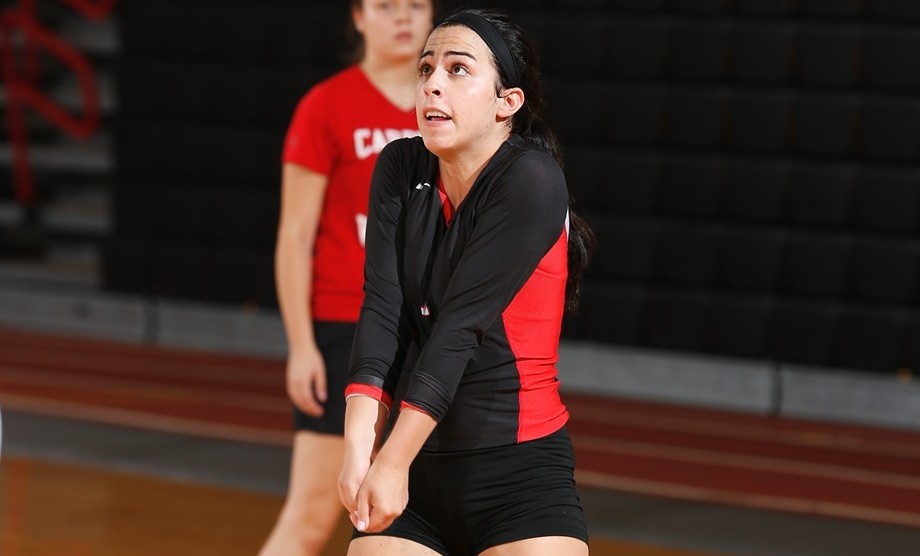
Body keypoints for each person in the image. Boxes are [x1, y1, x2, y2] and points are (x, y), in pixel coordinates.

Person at [338, 8, 594, 556]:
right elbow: (382, 308)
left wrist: (391, 460)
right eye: (426, 68)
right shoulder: (399, 166)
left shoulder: (531, 178)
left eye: (457, 70)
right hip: (416, 468)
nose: (432, 83)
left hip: (518, 477)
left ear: (508, 103)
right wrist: (359, 447)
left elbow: (458, 330)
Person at [260, 1, 434, 554]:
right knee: (314, 515)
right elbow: (294, 236)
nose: (403, 17)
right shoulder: (327, 104)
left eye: (416, 5)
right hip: (346, 326)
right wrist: (301, 346)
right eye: (385, 6)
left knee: (417, 519)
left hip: (430, 330)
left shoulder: (446, 103)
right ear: (358, 17)